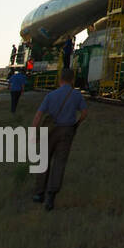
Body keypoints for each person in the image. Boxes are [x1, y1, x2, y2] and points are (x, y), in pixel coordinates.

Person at [31, 67, 88, 211]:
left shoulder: (51, 95)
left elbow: (38, 115)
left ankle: (39, 193)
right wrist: (76, 124)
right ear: (72, 80)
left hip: (50, 131)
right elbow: (84, 113)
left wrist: (34, 133)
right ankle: (51, 196)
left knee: (43, 160)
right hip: (67, 131)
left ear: (60, 79)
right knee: (60, 162)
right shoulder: (76, 95)